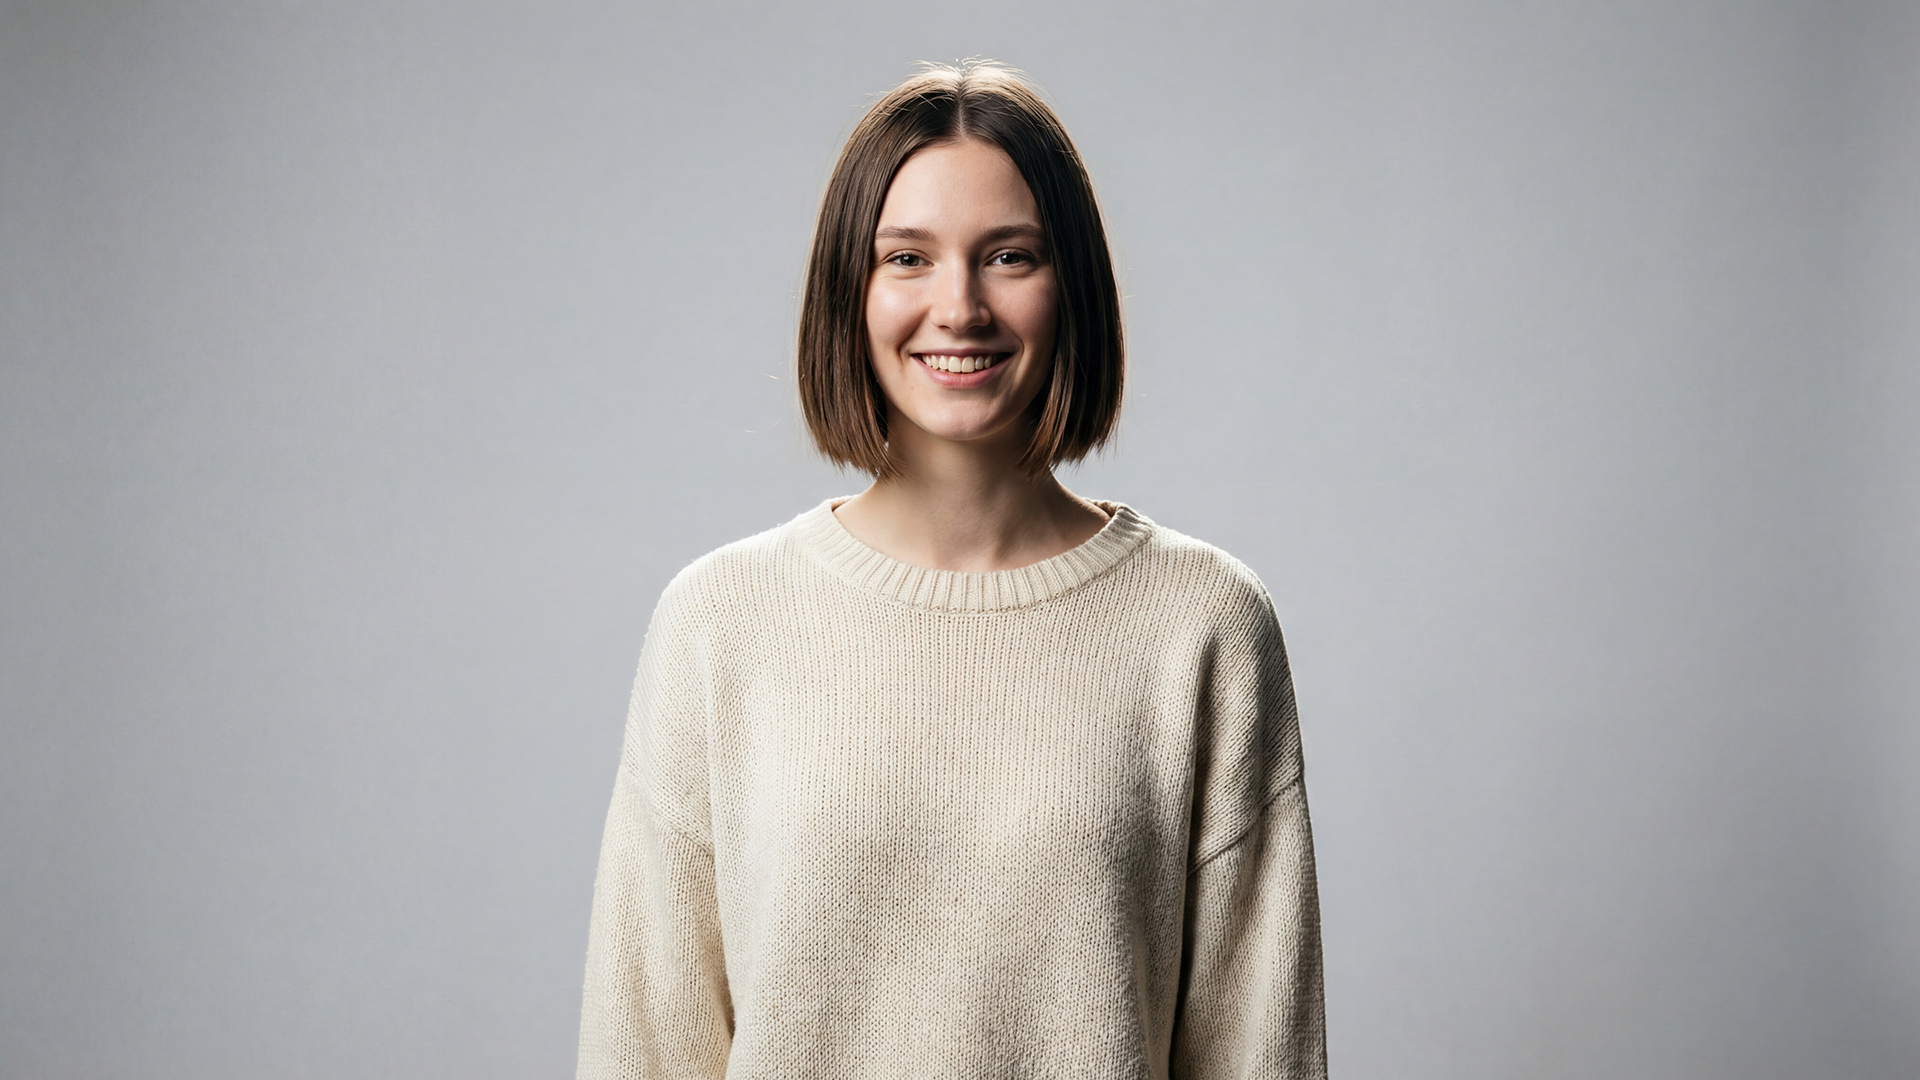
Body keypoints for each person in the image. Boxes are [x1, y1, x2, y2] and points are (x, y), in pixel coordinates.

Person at [577, 60, 1326, 1079]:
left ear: (1075, 288)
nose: (960, 306)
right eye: (908, 259)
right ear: (852, 289)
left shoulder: (1205, 625)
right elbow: (645, 1048)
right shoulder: (719, 623)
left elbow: (1259, 1055)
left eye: (1009, 256)